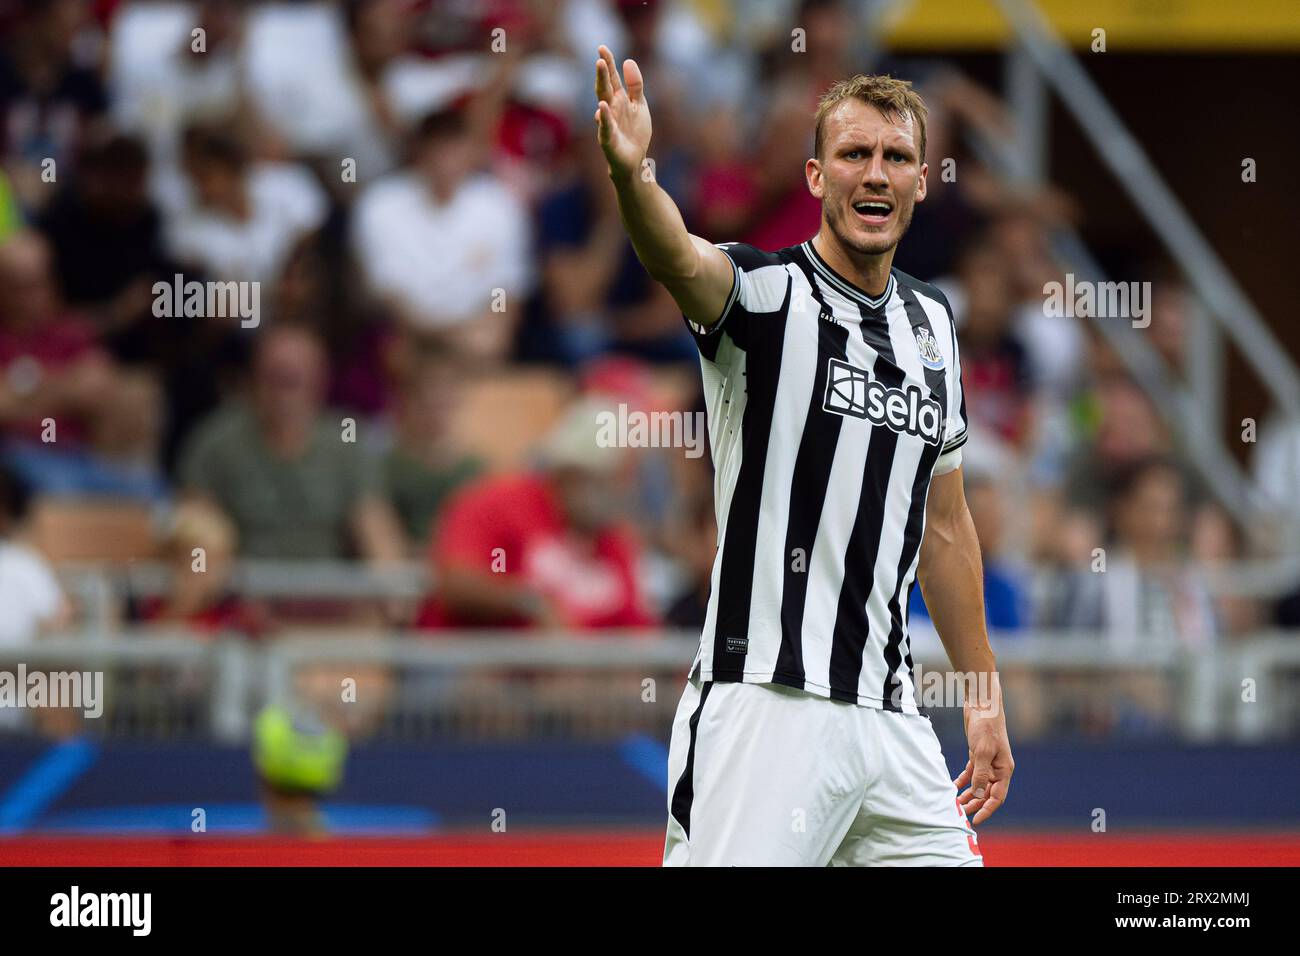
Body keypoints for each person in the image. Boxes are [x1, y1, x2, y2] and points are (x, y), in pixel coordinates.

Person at [594, 46, 1011, 865]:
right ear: (817, 177)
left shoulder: (934, 327)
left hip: (892, 721)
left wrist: (983, 695)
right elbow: (675, 255)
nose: (877, 175)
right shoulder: (763, 296)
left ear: (922, 183)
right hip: (766, 706)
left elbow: (948, 527)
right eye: (855, 155)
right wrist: (633, 175)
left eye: (896, 158)